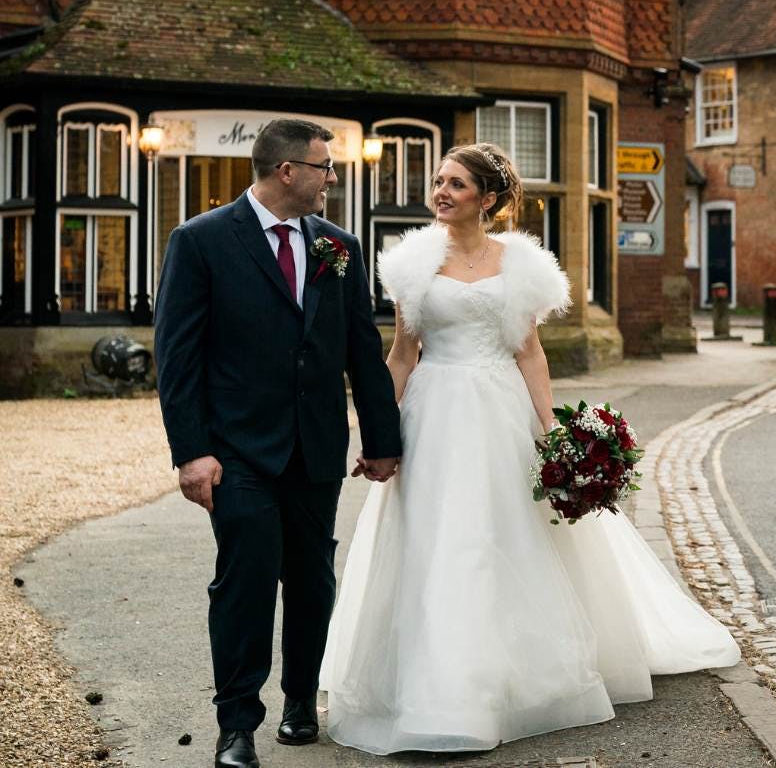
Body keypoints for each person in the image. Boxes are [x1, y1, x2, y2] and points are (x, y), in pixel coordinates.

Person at [318, 143, 741, 755]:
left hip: (499, 412)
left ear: (486, 199)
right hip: (433, 414)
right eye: (438, 181)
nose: (440, 192)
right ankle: (436, 688)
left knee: (501, 536)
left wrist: (556, 435)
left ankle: (506, 681)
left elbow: (529, 354)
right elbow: (402, 355)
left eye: (456, 184)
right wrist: (380, 432)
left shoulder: (519, 264)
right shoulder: (411, 263)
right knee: (438, 541)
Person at [154, 118, 403, 768]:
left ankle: (298, 703)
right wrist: (191, 452)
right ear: (288, 171)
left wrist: (382, 440)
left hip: (316, 449)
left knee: (313, 582)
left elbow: (362, 354)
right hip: (237, 452)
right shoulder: (201, 241)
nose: (332, 178)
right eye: (325, 166)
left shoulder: (337, 247)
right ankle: (236, 725)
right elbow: (177, 358)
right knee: (246, 583)